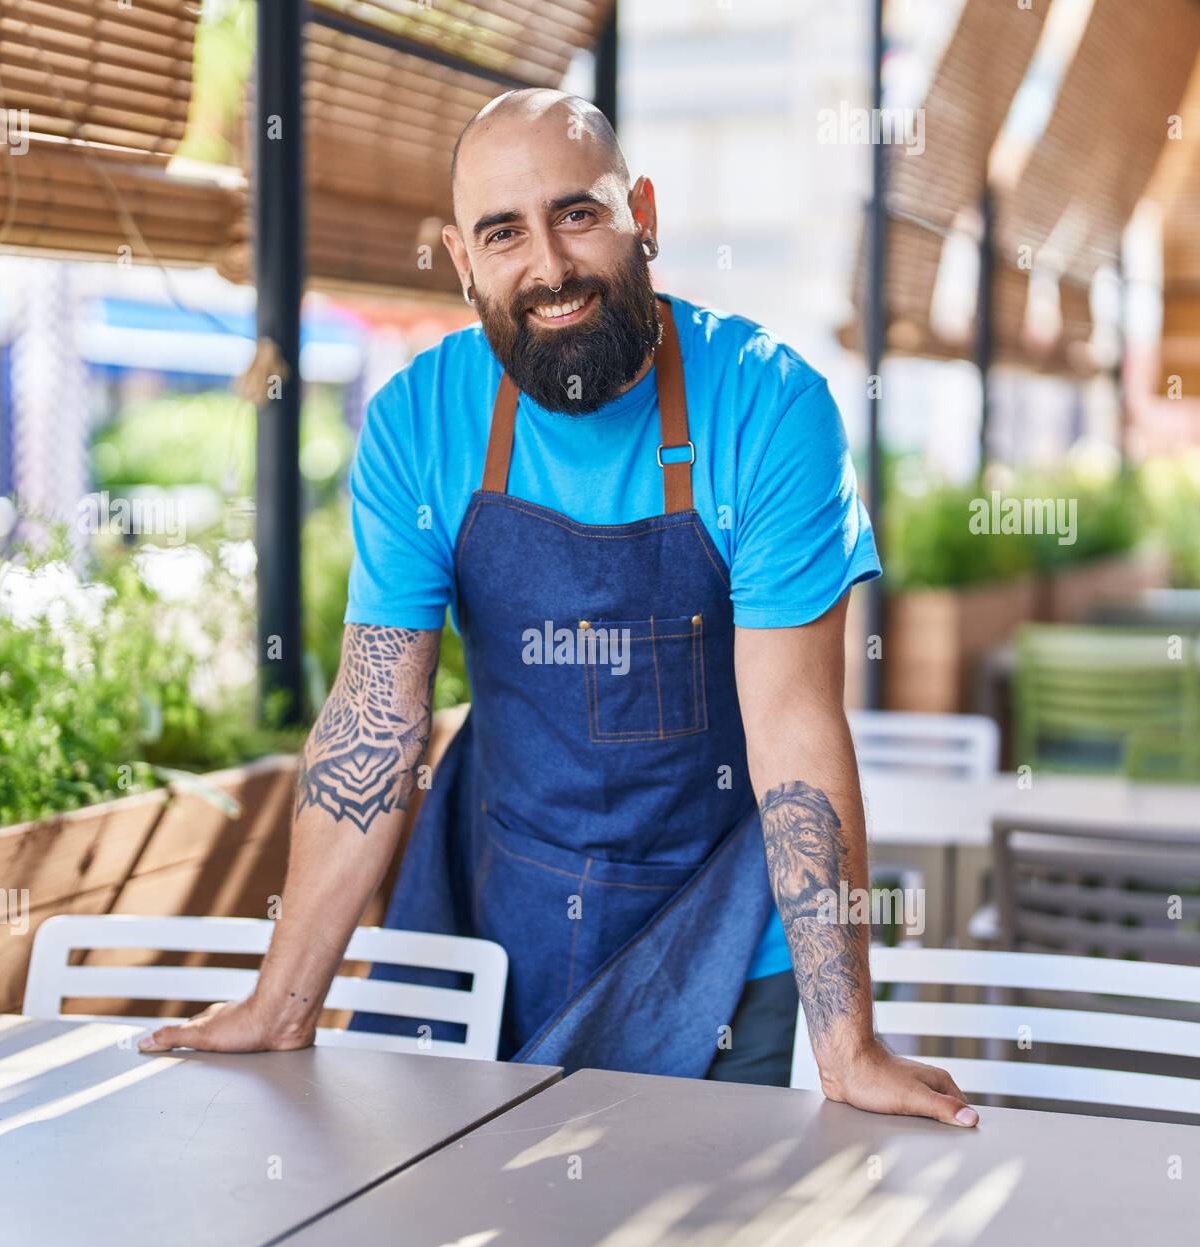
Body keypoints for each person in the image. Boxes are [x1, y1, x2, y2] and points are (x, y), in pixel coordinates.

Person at [140, 89, 978, 1129]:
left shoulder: (767, 408)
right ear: (461, 259)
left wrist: (846, 1048)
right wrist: (281, 1004)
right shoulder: (418, 422)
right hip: (494, 909)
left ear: (644, 215)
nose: (548, 265)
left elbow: (796, 731)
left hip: (715, 933)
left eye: (577, 213)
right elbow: (374, 722)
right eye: (503, 232)